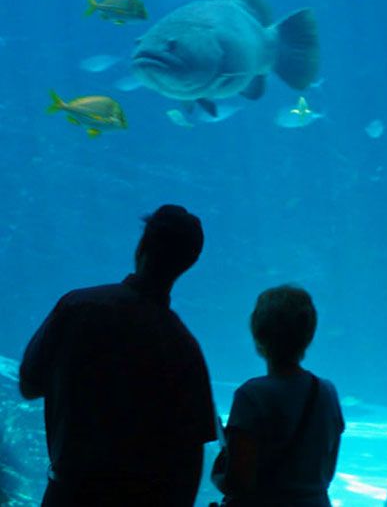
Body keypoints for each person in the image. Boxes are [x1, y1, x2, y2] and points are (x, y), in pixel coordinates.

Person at [19, 204, 217, 507]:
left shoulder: (77, 307)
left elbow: (29, 384)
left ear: (142, 247)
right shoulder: (184, 347)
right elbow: (191, 457)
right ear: (190, 263)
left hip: (68, 493)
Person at [212, 284, 344, 507]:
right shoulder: (327, 392)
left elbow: (238, 484)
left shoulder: (251, 395)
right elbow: (326, 474)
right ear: (309, 335)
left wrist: (217, 471)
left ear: (257, 334)